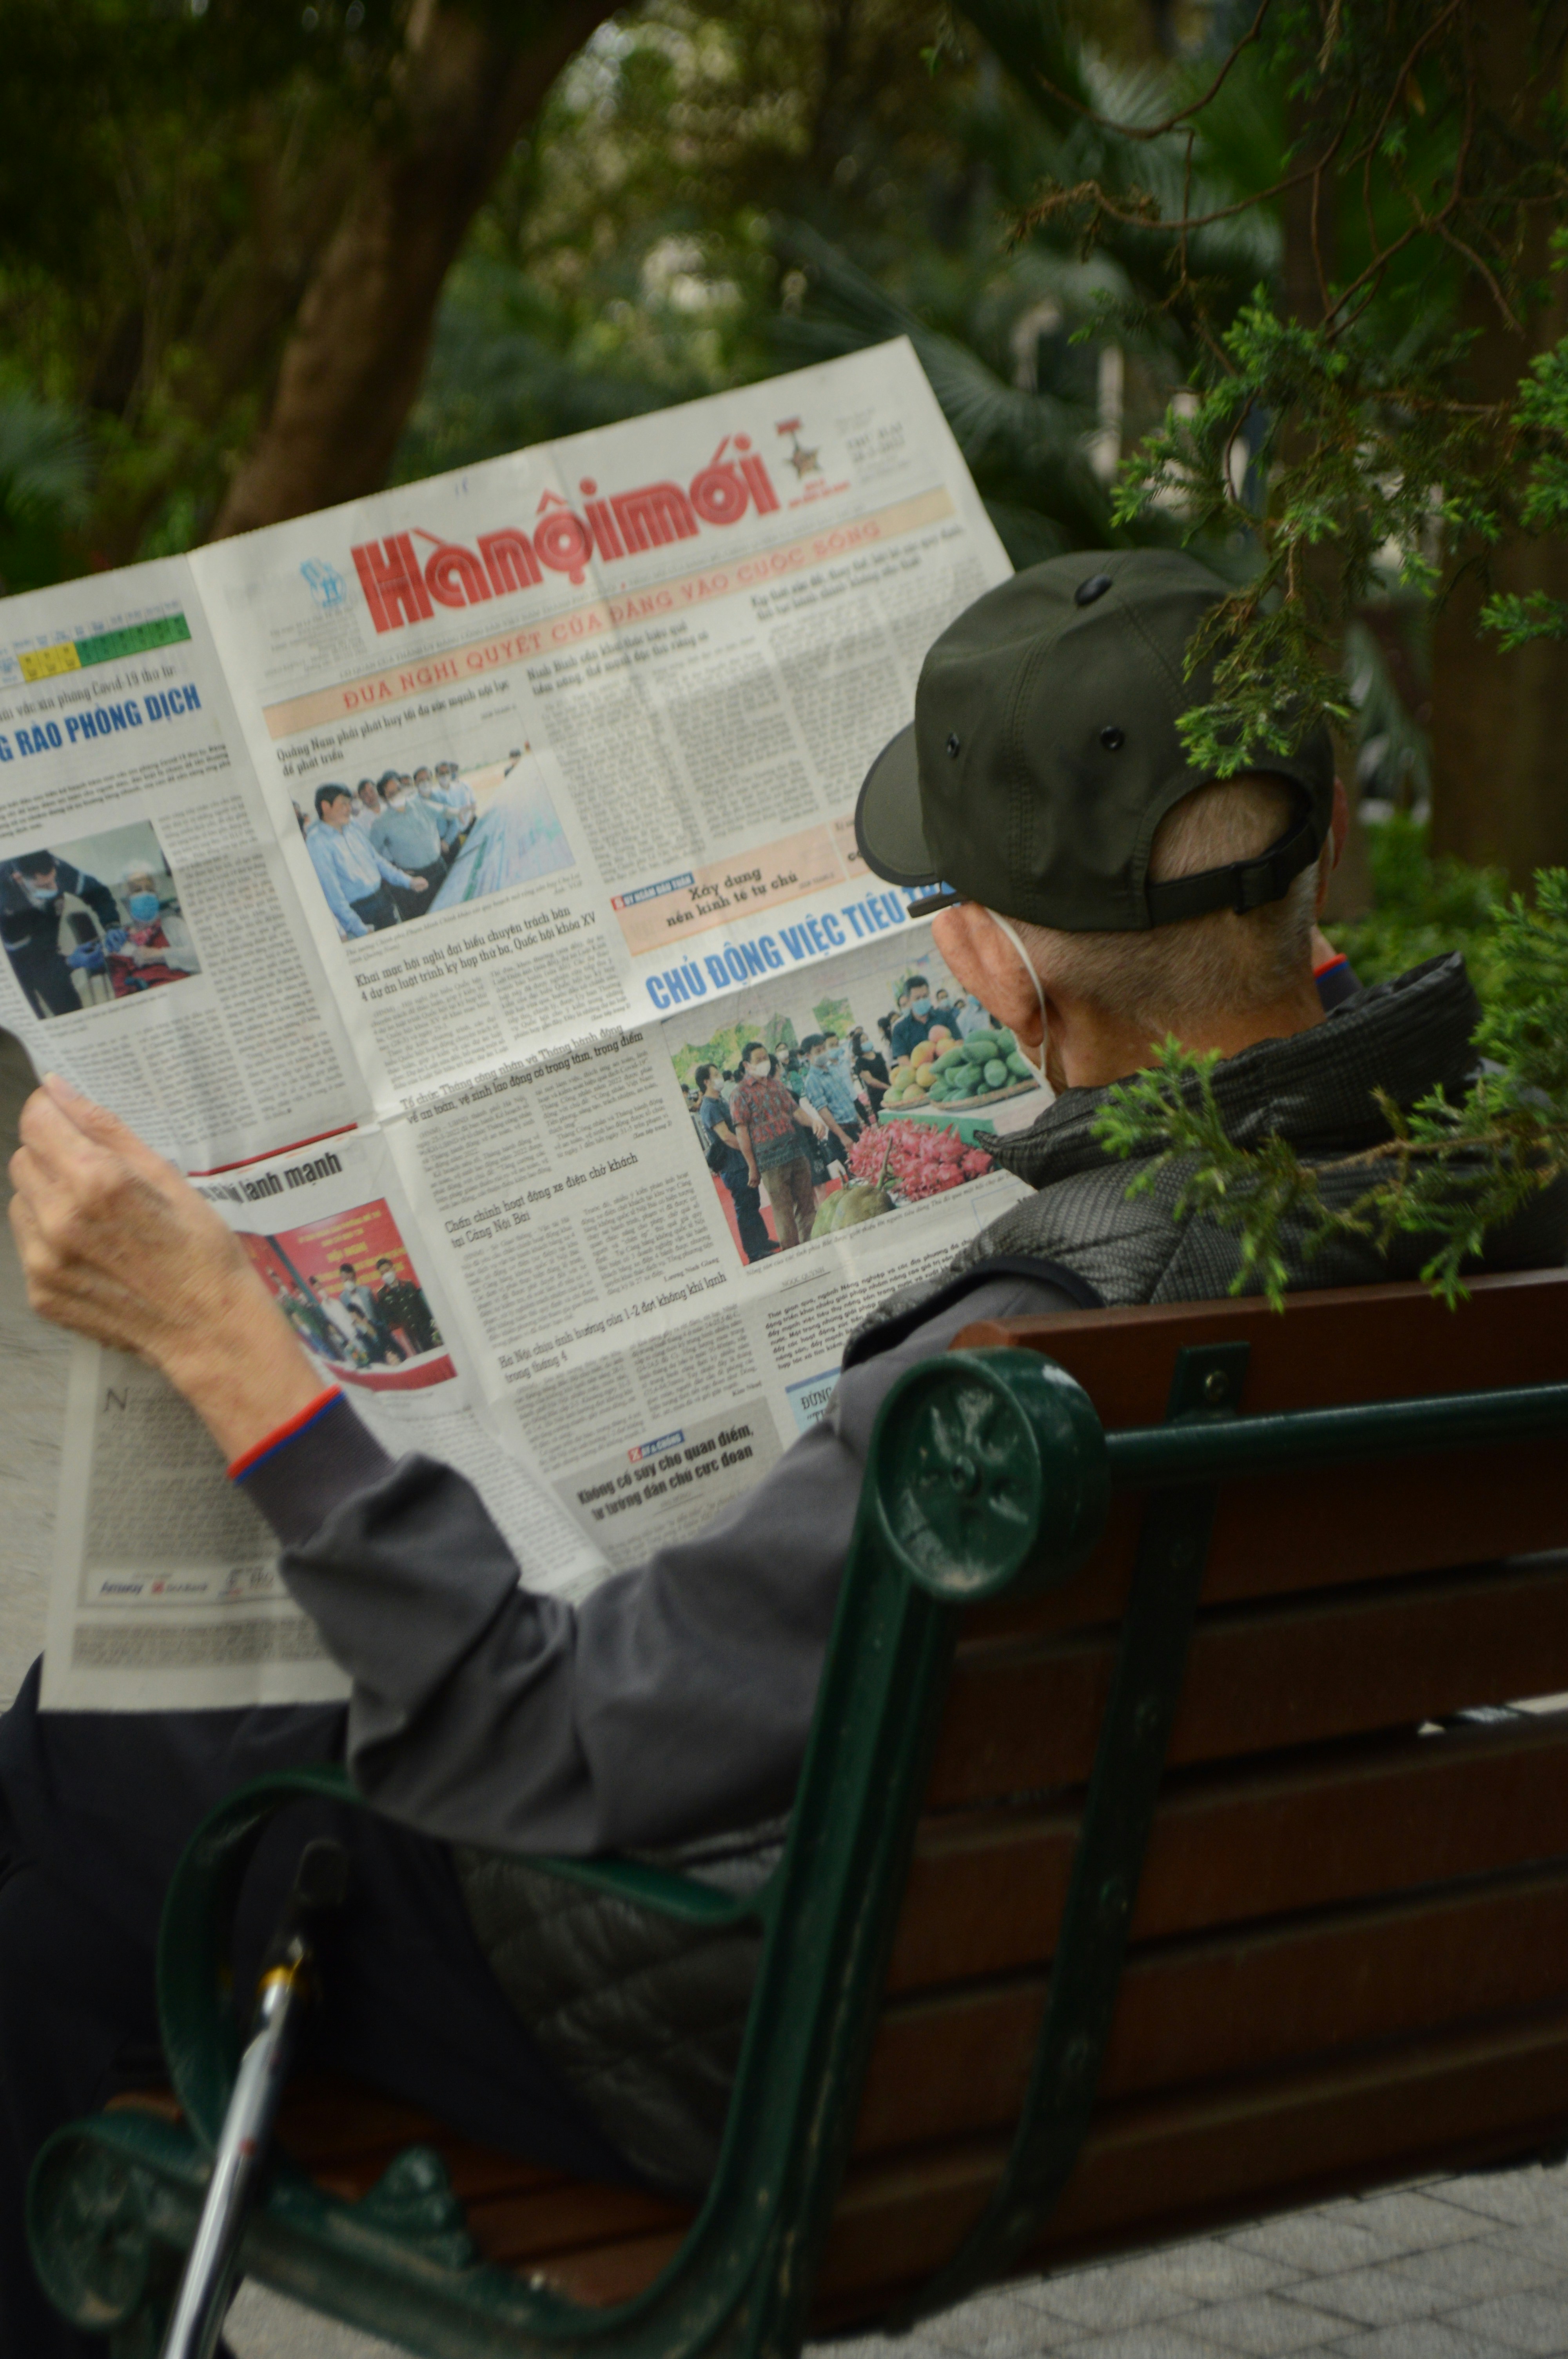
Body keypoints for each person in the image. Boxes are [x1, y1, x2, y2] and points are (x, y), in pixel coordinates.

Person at [8, 549, 1566, 2359]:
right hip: (1193, 1989)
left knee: (71, 1770)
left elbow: (528, 1734)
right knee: (59, 1919)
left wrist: (221, 1337)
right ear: (1297, 877)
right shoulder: (1480, 1203)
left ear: (998, 970)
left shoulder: (1029, 1366)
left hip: (803, 2040)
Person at [0, 851, 123, 1018]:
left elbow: (98, 893)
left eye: (54, 880)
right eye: (43, 886)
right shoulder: (6, 902)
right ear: (18, 878)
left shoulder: (58, 868)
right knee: (33, 1016)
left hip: (49, 948)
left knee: (72, 1012)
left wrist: (112, 924)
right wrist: (70, 962)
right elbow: (30, 965)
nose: (55, 889)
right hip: (15, 963)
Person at [731, 1041, 829, 1250]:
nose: (764, 1063)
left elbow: (795, 1112)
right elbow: (742, 1134)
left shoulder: (777, 1086)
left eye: (766, 1058)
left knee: (806, 1207)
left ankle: (813, 1248)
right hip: (771, 1163)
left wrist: (814, 1122)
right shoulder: (740, 1094)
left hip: (796, 1153)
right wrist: (752, 1167)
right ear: (747, 1065)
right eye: (759, 1060)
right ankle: (794, 1255)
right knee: (784, 1214)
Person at [306, 784, 427, 937]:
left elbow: (378, 861)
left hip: (382, 900)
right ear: (325, 806)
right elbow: (333, 894)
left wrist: (408, 881)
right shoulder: (317, 842)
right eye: (343, 804)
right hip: (360, 913)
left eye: (349, 803)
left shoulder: (353, 828)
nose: (349, 809)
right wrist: (359, 928)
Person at [695, 1061, 775, 1265]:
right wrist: (749, 1148)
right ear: (707, 1082)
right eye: (715, 1074)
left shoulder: (720, 1101)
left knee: (753, 1204)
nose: (720, 1076)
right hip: (733, 1166)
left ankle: (762, 1241)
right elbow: (727, 1137)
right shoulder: (709, 1107)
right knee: (745, 1209)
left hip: (741, 1162)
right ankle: (754, 1252)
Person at [106, 862, 200, 998]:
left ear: (157, 896)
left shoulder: (174, 925)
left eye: (150, 890)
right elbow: (122, 992)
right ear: (126, 902)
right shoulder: (121, 942)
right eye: (137, 891)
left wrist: (160, 955)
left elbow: (200, 957)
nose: (145, 895)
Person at [371, 775, 449, 913]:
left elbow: (444, 812)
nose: (397, 795)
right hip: (416, 879)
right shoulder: (381, 823)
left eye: (399, 790)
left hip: (439, 868)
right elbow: (372, 855)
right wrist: (395, 871)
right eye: (391, 794)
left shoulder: (419, 804)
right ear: (384, 799)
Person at [797, 1034, 863, 1152]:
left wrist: (860, 1120)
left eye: (824, 1049)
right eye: (818, 1051)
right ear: (808, 1056)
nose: (823, 1053)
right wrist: (843, 1137)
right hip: (842, 1132)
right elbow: (824, 1111)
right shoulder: (813, 1080)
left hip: (855, 1126)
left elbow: (847, 1098)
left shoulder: (832, 1070)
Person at [338, 1263, 408, 1365]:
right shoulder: (343, 1298)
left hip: (377, 1330)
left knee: (394, 1355)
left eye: (351, 1278)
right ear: (342, 1280)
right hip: (365, 1335)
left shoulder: (366, 1291)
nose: (349, 1281)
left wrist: (383, 1327)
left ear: (355, 1277)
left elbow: (377, 1311)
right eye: (345, 1279)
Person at [372, 1255, 442, 1355]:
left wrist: (433, 1327)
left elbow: (423, 1309)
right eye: (383, 1273)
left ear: (393, 1269)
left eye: (387, 1270)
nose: (386, 1274)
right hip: (408, 1340)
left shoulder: (409, 1285)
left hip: (425, 1332)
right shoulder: (382, 1295)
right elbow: (388, 1322)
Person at [889, 974, 941, 1063]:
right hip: (921, 1075)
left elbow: (958, 1043)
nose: (922, 1001)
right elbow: (903, 1061)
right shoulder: (899, 1030)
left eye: (925, 997)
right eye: (917, 998)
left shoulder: (945, 1017)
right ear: (909, 1001)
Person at [850, 1025, 891, 1112]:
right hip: (878, 1096)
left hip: (891, 1089)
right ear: (858, 1045)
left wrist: (893, 1084)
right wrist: (888, 1088)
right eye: (863, 1041)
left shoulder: (878, 1055)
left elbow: (888, 1070)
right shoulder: (860, 1062)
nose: (866, 1042)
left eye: (867, 1039)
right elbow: (871, 1081)